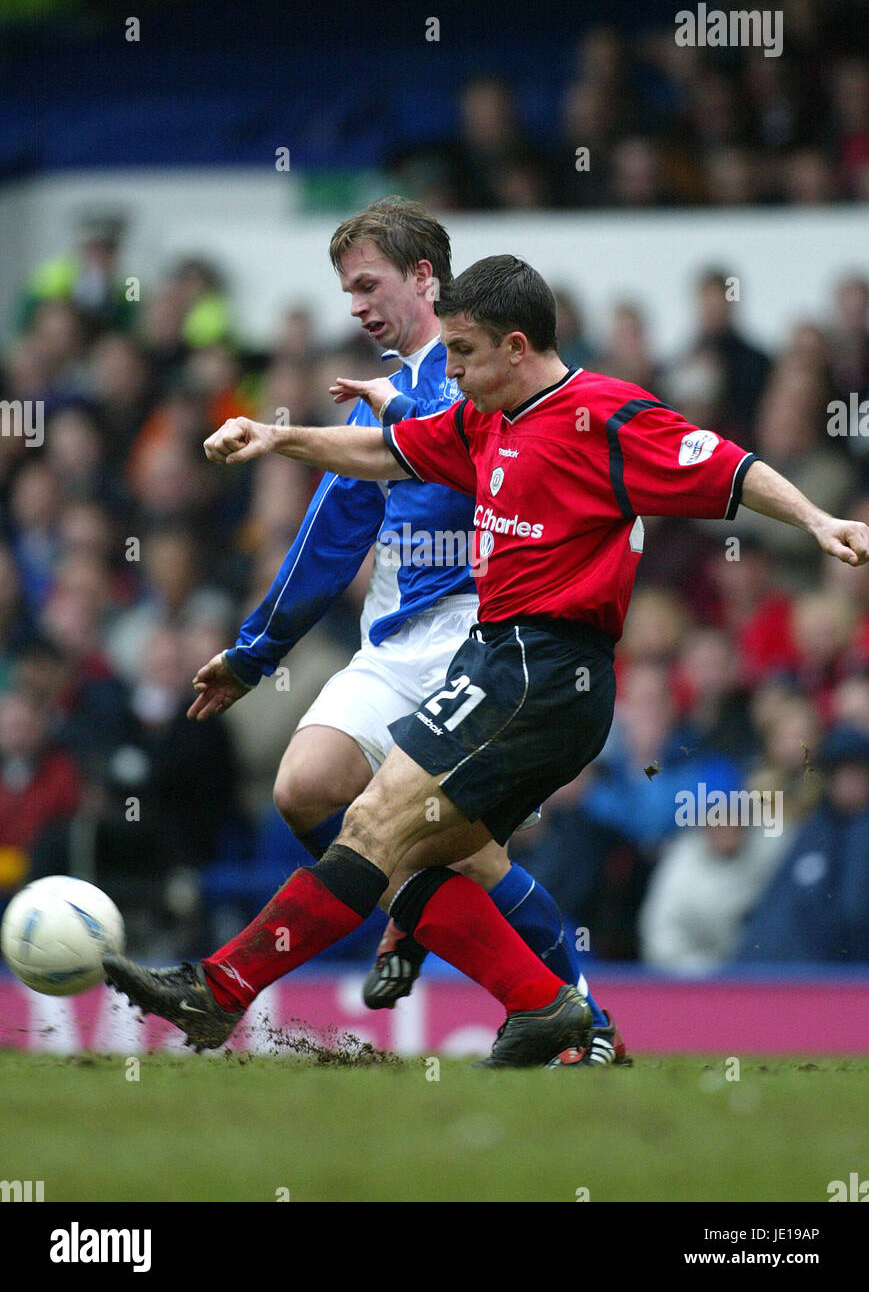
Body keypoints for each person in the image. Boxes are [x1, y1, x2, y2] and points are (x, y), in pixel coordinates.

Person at [104, 254, 869, 1068]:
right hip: (505, 668)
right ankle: (550, 1008)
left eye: (462, 353)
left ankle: (219, 991)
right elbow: (387, 452)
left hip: (541, 671)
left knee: (369, 824)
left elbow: (724, 464)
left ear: (513, 345)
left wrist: (819, 520)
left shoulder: (601, 414)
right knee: (422, 852)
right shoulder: (485, 419)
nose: (452, 370)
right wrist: (277, 436)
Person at [179, 200, 622, 1060]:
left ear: (425, 278)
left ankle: (577, 1019)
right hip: (389, 645)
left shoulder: (491, 381)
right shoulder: (374, 411)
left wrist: (392, 408)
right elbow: (326, 541)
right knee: (306, 791)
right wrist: (251, 652)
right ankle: (430, 928)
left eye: (366, 285)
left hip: (481, 637)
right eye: (346, 291)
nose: (355, 306)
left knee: (465, 851)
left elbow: (504, 447)